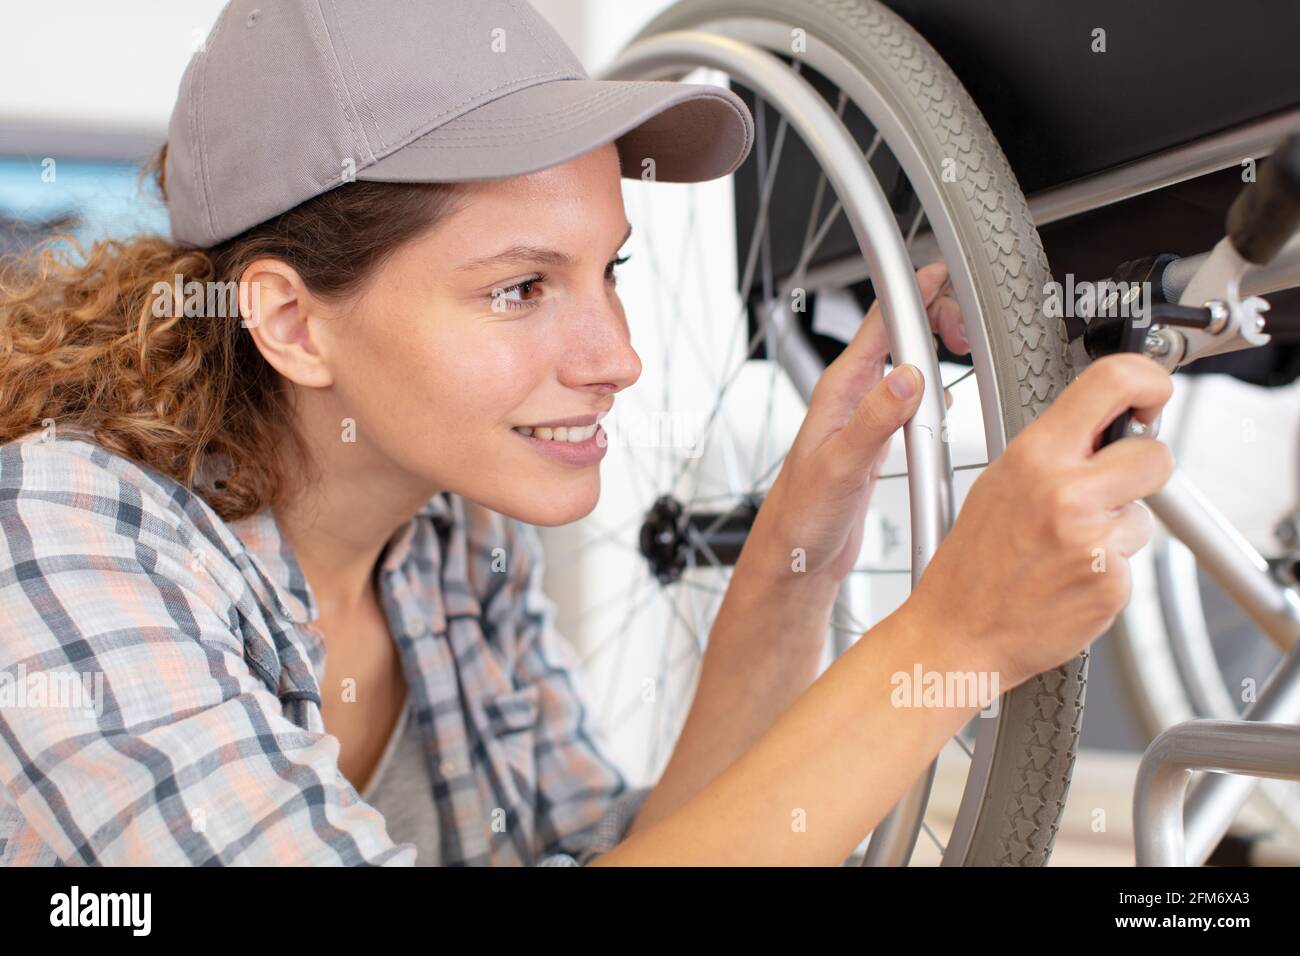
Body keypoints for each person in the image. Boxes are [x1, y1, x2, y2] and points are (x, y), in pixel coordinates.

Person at [0, 0, 1172, 866]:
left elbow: (648, 848)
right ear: (293, 323)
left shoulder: (444, 534)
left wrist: (796, 540)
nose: (618, 358)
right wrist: (955, 635)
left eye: (605, 269)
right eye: (520, 288)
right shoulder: (58, 538)